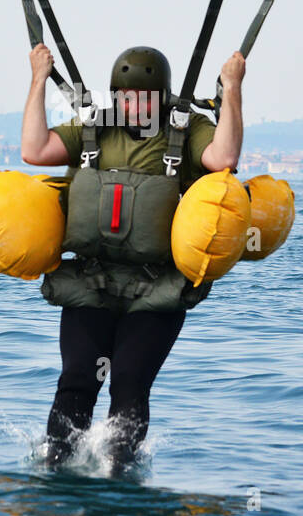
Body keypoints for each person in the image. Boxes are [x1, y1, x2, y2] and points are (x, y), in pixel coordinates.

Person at [21, 43, 245, 472]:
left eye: (144, 98)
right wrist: (37, 79)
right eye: (125, 96)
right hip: (92, 284)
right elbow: (34, 150)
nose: (134, 105)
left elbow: (224, 158)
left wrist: (232, 90)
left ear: (162, 97)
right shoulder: (95, 128)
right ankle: (54, 467)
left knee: (128, 382)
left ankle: (117, 467)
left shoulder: (186, 128)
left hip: (155, 292)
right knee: (78, 381)